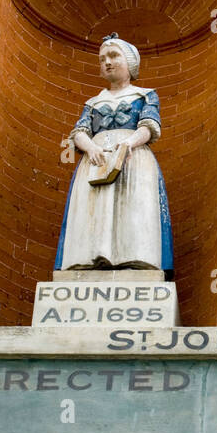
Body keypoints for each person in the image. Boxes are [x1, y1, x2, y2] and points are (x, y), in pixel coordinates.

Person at [54, 33, 173, 272]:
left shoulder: (145, 95)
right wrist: (91, 147)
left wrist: (129, 143)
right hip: (96, 158)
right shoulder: (93, 102)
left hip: (132, 157)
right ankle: (86, 259)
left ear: (129, 62)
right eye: (102, 59)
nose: (107, 62)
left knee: (134, 205)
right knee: (93, 208)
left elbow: (150, 126)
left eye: (113, 56)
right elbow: (79, 131)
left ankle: (135, 257)